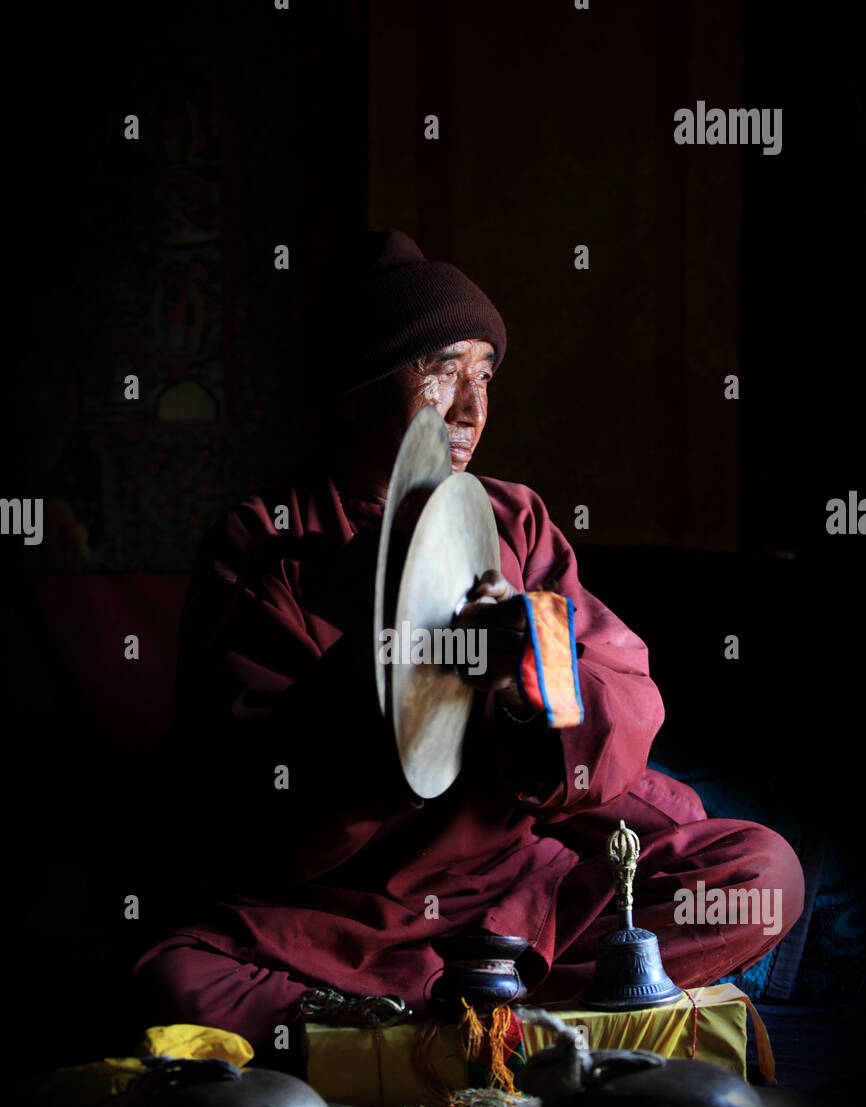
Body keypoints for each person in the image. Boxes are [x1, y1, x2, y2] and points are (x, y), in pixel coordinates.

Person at [130, 230, 805, 1056]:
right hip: (344, 912)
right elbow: (246, 799)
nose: (473, 410)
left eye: (485, 377)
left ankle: (435, 1038)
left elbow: (616, 693)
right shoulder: (265, 542)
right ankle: (508, 1032)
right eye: (444, 373)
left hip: (512, 892)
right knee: (177, 982)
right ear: (356, 392)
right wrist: (398, 669)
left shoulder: (513, 518)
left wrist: (525, 651)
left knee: (762, 879)